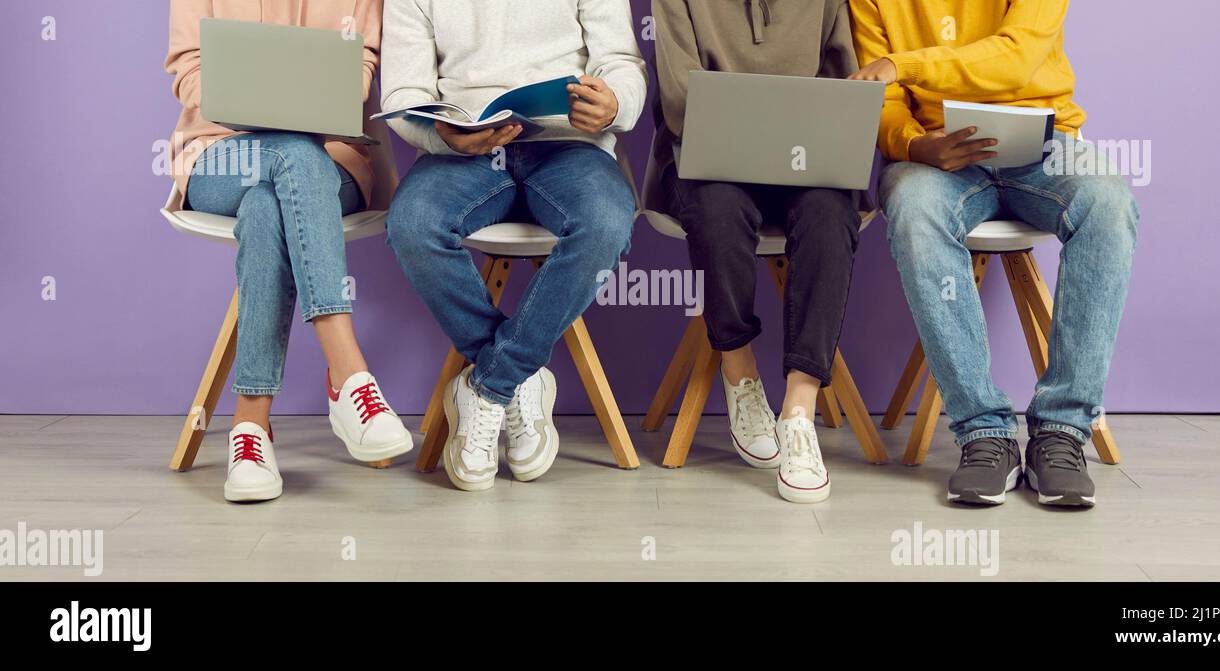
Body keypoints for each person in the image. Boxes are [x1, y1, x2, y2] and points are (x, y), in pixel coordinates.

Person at [849, 0, 1139, 507]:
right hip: (939, 153)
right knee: (915, 208)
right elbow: (882, 98)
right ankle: (984, 432)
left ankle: (1063, 430)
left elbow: (1016, 58)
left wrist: (906, 63)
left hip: (1043, 144)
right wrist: (915, 145)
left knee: (1108, 201)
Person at [381, 0, 647, 492]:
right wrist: (445, 136)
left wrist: (616, 103)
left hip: (569, 143)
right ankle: (520, 377)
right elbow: (404, 92)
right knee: (413, 223)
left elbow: (621, 64)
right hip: (465, 150)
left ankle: (488, 385)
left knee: (606, 222)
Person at [165, 0, 411, 503]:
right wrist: (255, 105)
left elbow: (361, 66)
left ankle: (251, 428)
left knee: (267, 203)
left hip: (331, 161)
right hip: (221, 152)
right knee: (289, 156)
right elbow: (188, 67)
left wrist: (307, 107)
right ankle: (347, 374)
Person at [648, 0, 863, 504]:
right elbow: (680, 99)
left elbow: (844, 84)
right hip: (712, 158)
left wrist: (811, 132)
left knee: (831, 217)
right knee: (717, 214)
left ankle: (798, 410)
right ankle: (740, 372)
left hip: (808, 157)